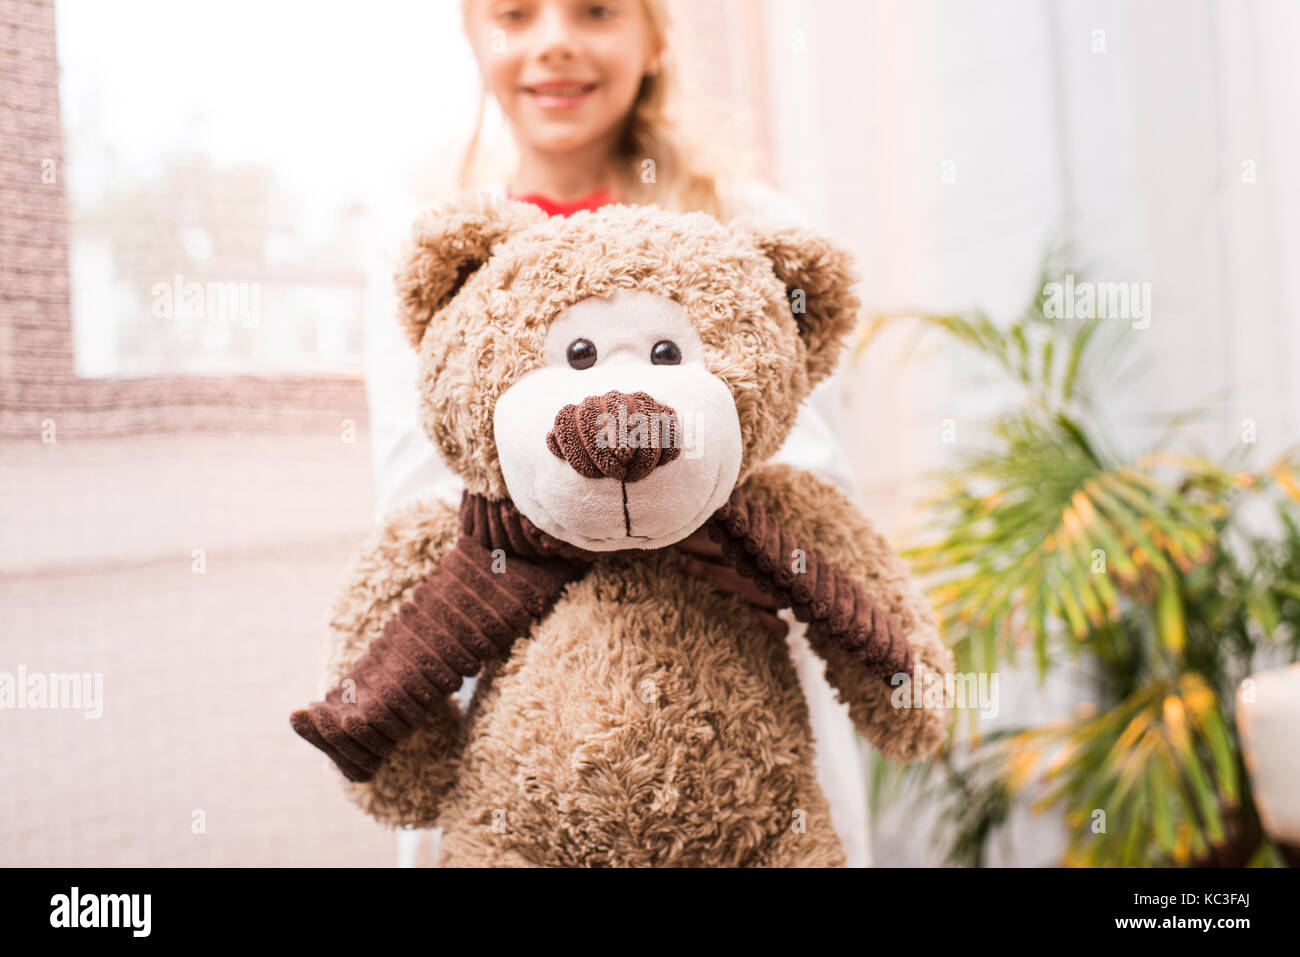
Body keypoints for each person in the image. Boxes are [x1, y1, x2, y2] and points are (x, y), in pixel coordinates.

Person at [363, 0, 871, 867]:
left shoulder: (751, 223)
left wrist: (740, 536)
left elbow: (814, 476)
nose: (553, 41)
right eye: (515, 15)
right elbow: (418, 488)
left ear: (654, 36)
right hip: (523, 743)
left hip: (727, 715)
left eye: (595, 11)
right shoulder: (437, 250)